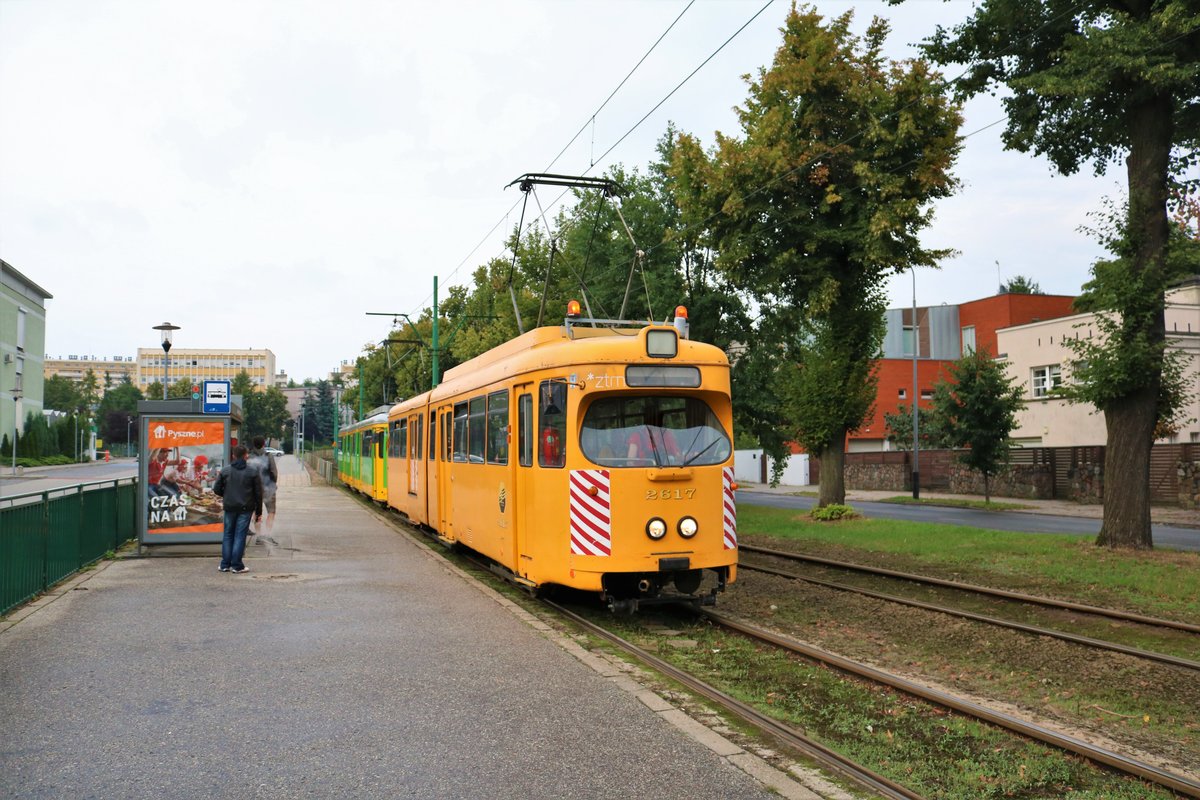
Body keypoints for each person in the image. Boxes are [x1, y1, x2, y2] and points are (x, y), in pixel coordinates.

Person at [213, 444, 263, 574]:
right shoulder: (253, 471)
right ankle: (237, 565)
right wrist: (259, 512)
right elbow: (259, 493)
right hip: (246, 508)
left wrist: (227, 494)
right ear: (246, 455)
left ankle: (225, 564)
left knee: (228, 535)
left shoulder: (225, 470)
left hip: (229, 507)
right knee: (240, 535)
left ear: (233, 456)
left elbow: (216, 489)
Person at [247, 436, 279, 537]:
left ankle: (259, 535)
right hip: (268, 487)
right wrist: (273, 483)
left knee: (257, 512)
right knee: (271, 511)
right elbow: (274, 472)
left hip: (254, 489)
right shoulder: (268, 455)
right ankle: (268, 534)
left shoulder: (249, 456)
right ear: (264, 444)